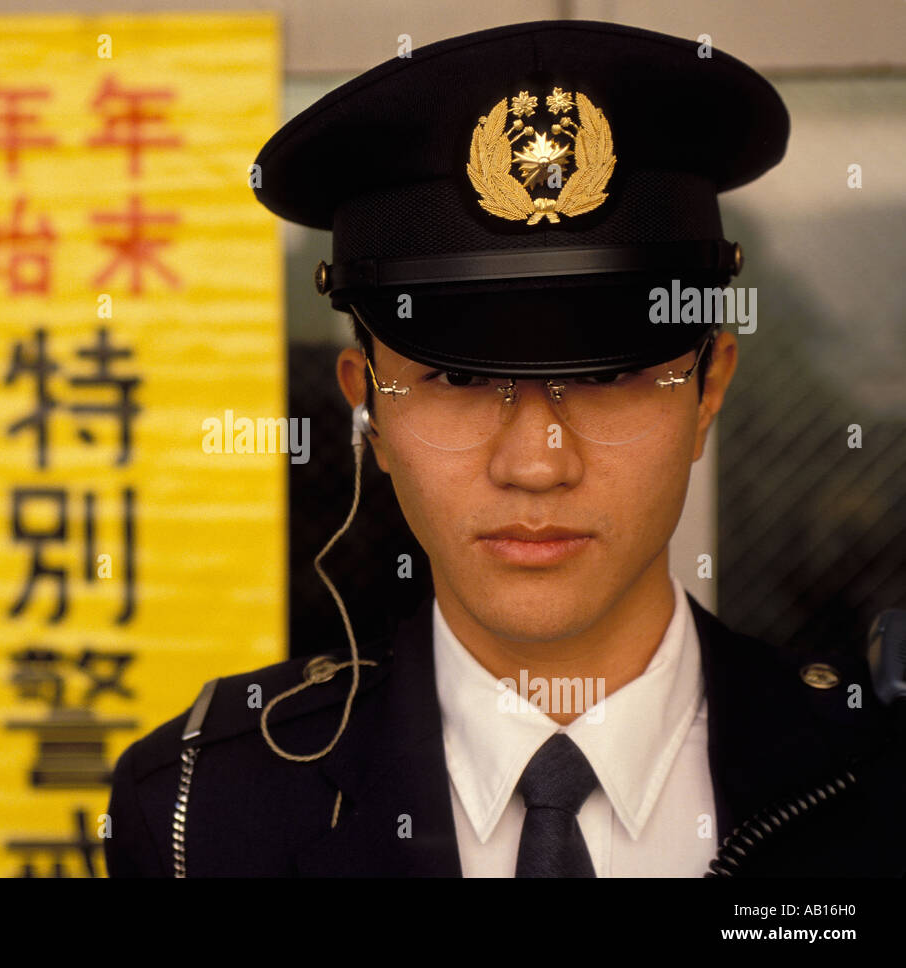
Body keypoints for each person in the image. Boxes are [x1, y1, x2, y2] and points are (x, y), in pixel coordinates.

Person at [104, 20, 906, 877]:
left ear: (709, 388)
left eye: (608, 378)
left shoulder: (877, 782)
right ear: (366, 405)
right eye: (456, 380)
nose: (535, 463)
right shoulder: (210, 813)